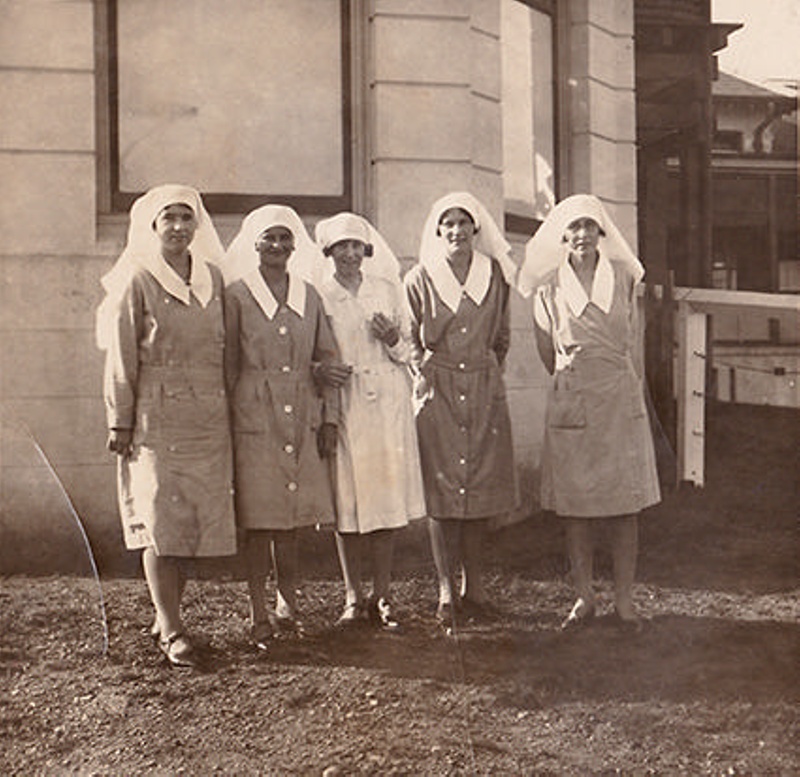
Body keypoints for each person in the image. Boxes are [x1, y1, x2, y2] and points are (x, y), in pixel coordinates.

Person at [97, 184, 236, 667]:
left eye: (185, 217)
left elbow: (228, 353)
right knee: (159, 520)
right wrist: (121, 420)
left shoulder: (213, 280)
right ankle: (172, 627)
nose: (178, 227)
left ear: (197, 226)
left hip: (208, 419)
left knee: (190, 520)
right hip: (155, 417)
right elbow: (120, 356)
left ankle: (166, 612)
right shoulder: (137, 280)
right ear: (152, 226)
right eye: (168, 218)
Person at [518, 194, 661, 631]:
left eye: (589, 227)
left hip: (618, 398)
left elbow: (632, 337)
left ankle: (624, 601)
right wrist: (571, 381)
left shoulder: (623, 279)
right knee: (576, 508)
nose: (582, 235)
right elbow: (547, 349)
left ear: (602, 233)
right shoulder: (547, 287)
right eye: (574, 228)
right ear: (563, 236)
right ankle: (584, 598)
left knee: (624, 506)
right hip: (573, 399)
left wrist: (613, 377)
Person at [223, 205, 346, 649]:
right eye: (269, 238)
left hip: (301, 413)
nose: (277, 246)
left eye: (285, 239)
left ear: (296, 245)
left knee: (291, 521)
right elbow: (229, 367)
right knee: (260, 521)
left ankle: (288, 602)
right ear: (254, 243)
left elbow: (328, 359)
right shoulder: (236, 296)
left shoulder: (309, 295)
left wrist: (328, 417)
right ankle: (258, 611)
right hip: (254, 418)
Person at [404, 192, 519, 629]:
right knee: (444, 491)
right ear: (438, 230)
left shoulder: (495, 275)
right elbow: (410, 336)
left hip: (484, 386)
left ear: (476, 228)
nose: (456, 231)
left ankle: (476, 588)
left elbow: (503, 336)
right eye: (447, 223)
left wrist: (487, 372)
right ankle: (446, 589)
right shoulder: (419, 278)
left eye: (463, 222)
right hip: (440, 390)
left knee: (481, 486)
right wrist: (427, 371)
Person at [310, 212, 426, 630]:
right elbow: (312, 350)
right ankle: (353, 596)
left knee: (384, 498)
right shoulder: (320, 295)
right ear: (329, 251)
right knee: (348, 500)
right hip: (345, 399)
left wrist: (392, 338)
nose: (350, 254)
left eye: (356, 246)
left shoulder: (387, 289)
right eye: (341, 246)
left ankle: (383, 595)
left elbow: (411, 350)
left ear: (366, 250)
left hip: (387, 402)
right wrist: (321, 370)